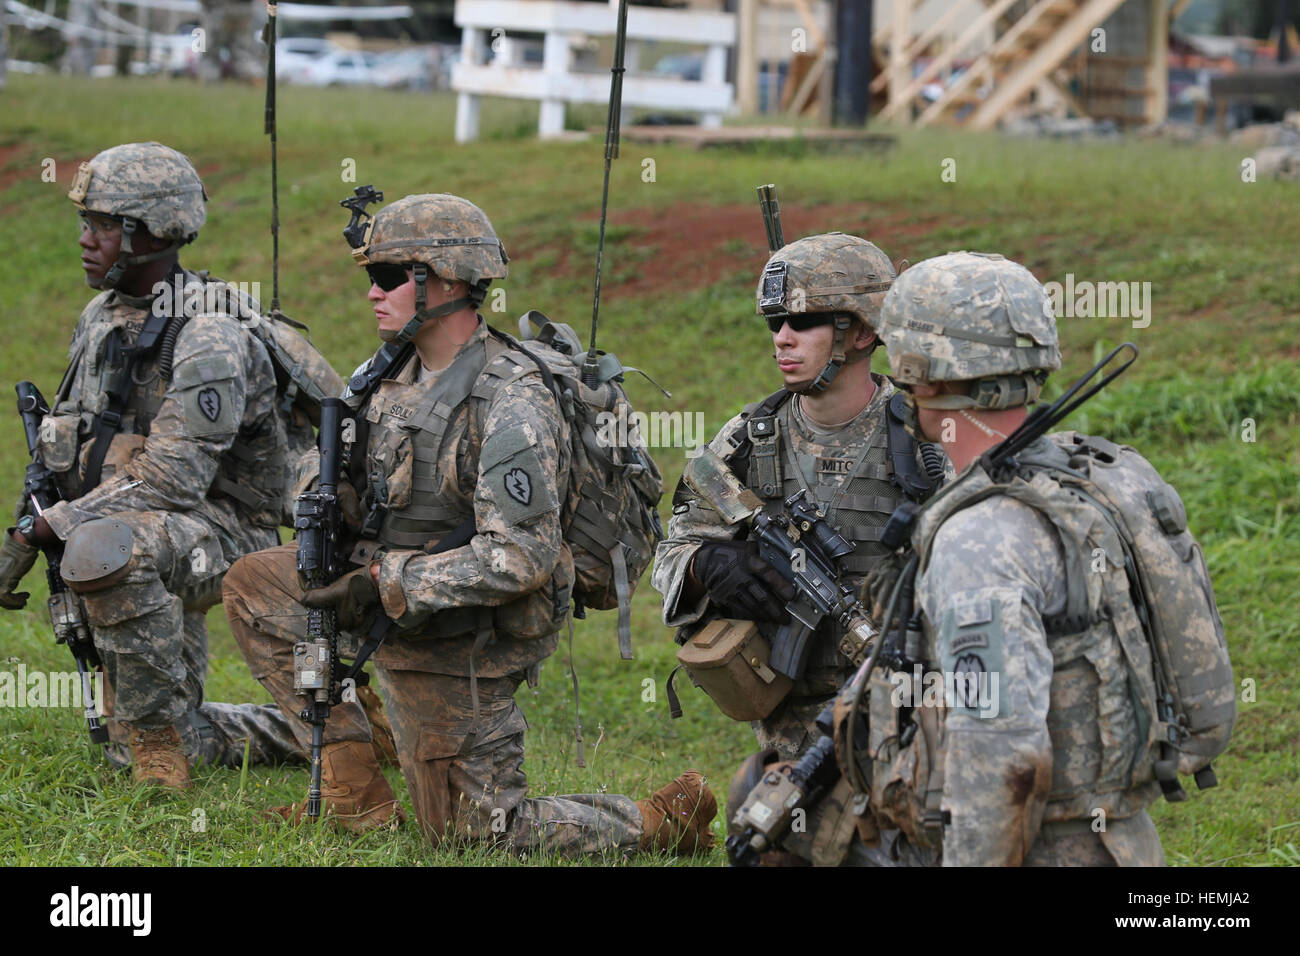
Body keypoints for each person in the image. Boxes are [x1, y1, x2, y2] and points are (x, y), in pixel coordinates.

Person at [222, 192, 716, 856]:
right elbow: (336, 462)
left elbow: (520, 556)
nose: (372, 292)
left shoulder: (513, 399)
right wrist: (318, 491)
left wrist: (383, 579)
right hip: (392, 603)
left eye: (388, 275)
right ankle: (351, 792)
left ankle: (660, 822)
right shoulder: (387, 373)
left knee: (471, 839)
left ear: (446, 281)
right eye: (371, 275)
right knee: (258, 587)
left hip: (467, 634)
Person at [0, 142, 306, 789]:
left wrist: (41, 531)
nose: (85, 239)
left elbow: (173, 478)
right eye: (85, 223)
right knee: (149, 739)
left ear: (148, 233)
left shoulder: (209, 333)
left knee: (106, 544)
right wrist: (46, 506)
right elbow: (79, 446)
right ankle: (329, 727)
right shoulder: (103, 315)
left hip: (230, 537)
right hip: (149, 526)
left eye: (102, 225)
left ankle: (156, 740)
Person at [863, 250, 1167, 865]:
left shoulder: (981, 540)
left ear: (924, 375)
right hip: (1125, 845)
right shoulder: (1109, 478)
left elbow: (1001, 758)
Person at [652, 233, 947, 762]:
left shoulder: (923, 441)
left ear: (860, 332)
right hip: (792, 735)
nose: (782, 339)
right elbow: (670, 555)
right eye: (775, 323)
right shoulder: (747, 439)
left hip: (908, 716)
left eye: (802, 322)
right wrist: (707, 564)